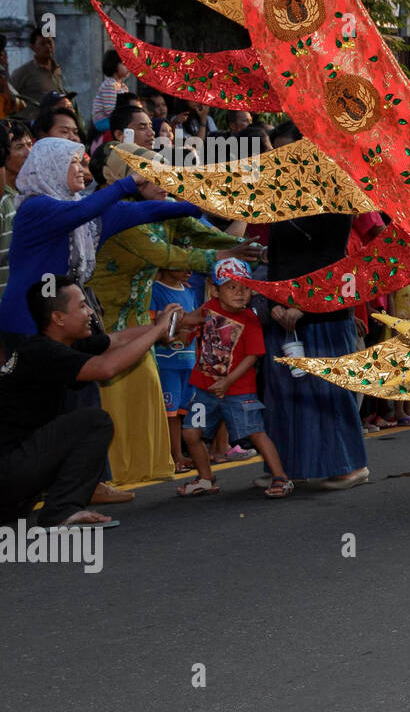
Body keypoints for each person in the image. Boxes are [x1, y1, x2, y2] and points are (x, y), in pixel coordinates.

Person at [88, 147, 247, 485]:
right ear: (124, 175)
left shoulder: (164, 211)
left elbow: (202, 233)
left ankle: (141, 468)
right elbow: (167, 255)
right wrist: (223, 257)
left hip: (139, 322)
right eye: (149, 173)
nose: (162, 179)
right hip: (105, 320)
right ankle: (108, 475)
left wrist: (246, 250)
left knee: (144, 386)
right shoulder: (118, 213)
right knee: (112, 394)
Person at [0, 276, 192, 529]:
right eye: (81, 306)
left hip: (13, 479)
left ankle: (53, 505)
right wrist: (158, 330)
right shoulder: (43, 352)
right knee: (94, 422)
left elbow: (119, 340)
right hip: (8, 474)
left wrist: (169, 323)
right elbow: (106, 369)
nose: (91, 310)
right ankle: (60, 512)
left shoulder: (59, 345)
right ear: (58, 318)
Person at [0, 137, 199, 341]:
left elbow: (147, 210)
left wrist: (201, 205)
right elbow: (81, 212)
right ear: (50, 166)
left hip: (62, 326)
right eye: (72, 162)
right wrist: (130, 182)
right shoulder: (35, 208)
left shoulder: (88, 212)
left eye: (81, 162)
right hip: (24, 322)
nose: (81, 169)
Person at [260, 215, 369, 487]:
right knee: (284, 392)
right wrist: (272, 303)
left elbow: (333, 260)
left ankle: (350, 465)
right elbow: (275, 258)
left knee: (328, 390)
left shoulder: (336, 200)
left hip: (326, 314)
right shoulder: (280, 198)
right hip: (283, 313)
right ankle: (285, 468)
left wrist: (306, 305)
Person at [178, 257, 292, 499]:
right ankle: (206, 478)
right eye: (231, 287)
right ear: (214, 290)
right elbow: (188, 320)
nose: (240, 293)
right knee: (191, 433)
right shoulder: (209, 308)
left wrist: (228, 381)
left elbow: (253, 356)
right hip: (205, 389)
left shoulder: (250, 319)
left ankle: (281, 477)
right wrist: (180, 319)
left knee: (255, 433)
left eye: (244, 287)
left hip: (239, 391)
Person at [151, 268, 201, 471]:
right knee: (169, 413)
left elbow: (196, 327)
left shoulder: (190, 292)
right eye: (181, 263)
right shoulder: (155, 290)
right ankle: (175, 456)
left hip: (188, 361)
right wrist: (176, 328)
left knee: (184, 410)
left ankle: (187, 453)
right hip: (167, 362)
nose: (188, 269)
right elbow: (154, 326)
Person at [0, 119, 34, 300]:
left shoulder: (29, 194)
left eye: (30, 144)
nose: (29, 152)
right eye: (19, 147)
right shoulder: (3, 201)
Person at [7, 30, 68, 112]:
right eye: (42, 43)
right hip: (33, 122)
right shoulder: (23, 72)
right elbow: (9, 97)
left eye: (49, 42)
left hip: (56, 120)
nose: (47, 46)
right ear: (33, 47)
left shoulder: (57, 70)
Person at [91, 50, 131, 136]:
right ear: (114, 66)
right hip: (102, 121)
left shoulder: (123, 86)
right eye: (124, 64)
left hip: (114, 119)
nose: (128, 67)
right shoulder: (109, 85)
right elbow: (110, 111)